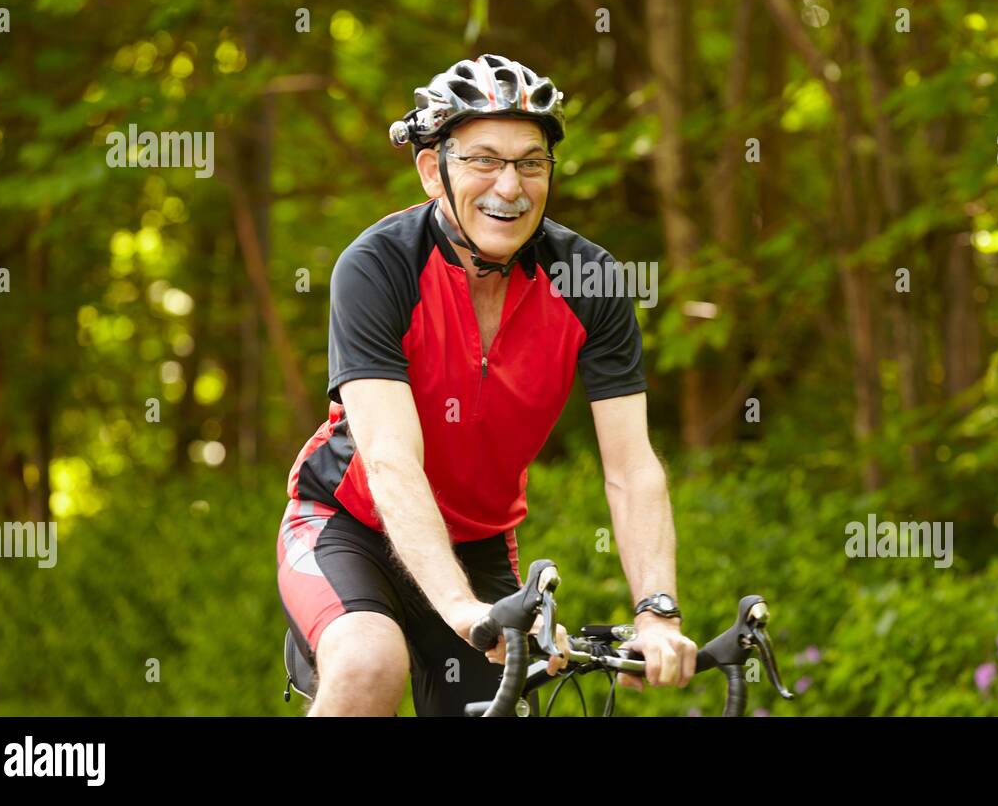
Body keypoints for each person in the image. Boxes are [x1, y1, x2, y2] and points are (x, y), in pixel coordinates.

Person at [276, 53, 698, 716]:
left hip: (477, 544)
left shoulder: (588, 280)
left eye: (531, 163)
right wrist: (460, 609)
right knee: (367, 663)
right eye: (483, 160)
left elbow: (631, 465)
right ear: (432, 170)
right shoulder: (379, 266)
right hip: (348, 522)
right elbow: (389, 459)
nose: (510, 186)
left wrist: (657, 611)